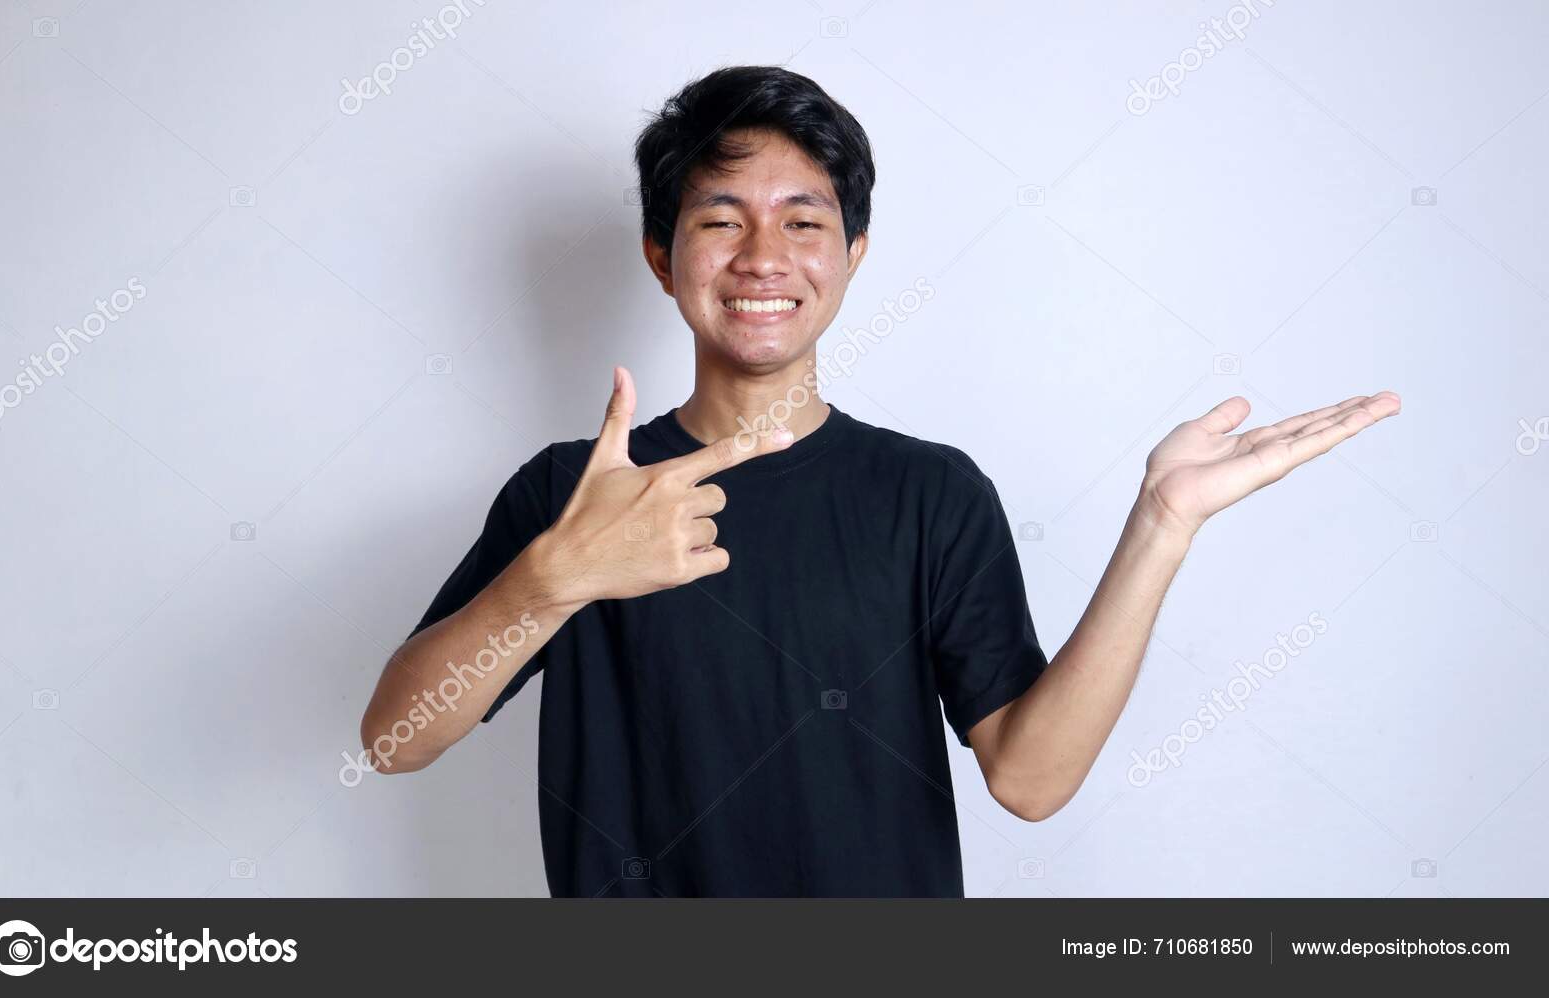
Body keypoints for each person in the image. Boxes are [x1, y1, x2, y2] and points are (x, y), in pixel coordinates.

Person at [358, 65, 1401, 897]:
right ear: (660, 256)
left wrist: (1161, 523)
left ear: (852, 253)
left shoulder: (929, 494)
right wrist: (554, 577)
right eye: (720, 219)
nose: (763, 255)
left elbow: (1029, 778)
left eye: (803, 222)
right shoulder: (576, 489)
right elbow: (393, 741)